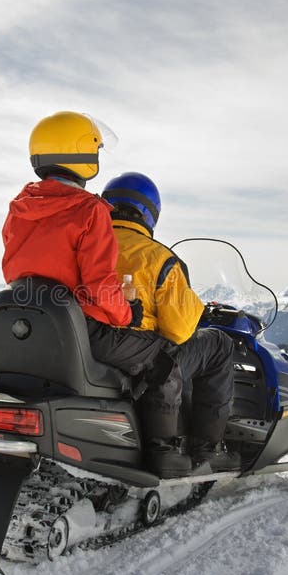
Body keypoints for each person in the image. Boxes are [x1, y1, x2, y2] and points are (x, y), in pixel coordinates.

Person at [1, 111, 193, 477]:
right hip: (82, 326)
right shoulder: (90, 211)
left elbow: (14, 268)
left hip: (29, 317)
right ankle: (162, 453)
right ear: (82, 156)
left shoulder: (20, 207)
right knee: (163, 362)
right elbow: (100, 286)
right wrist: (130, 314)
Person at [101, 171, 237, 473]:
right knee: (218, 345)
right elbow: (179, 329)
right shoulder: (158, 258)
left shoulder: (85, 247)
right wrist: (196, 307)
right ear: (150, 213)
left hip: (95, 345)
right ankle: (207, 450)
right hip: (140, 356)